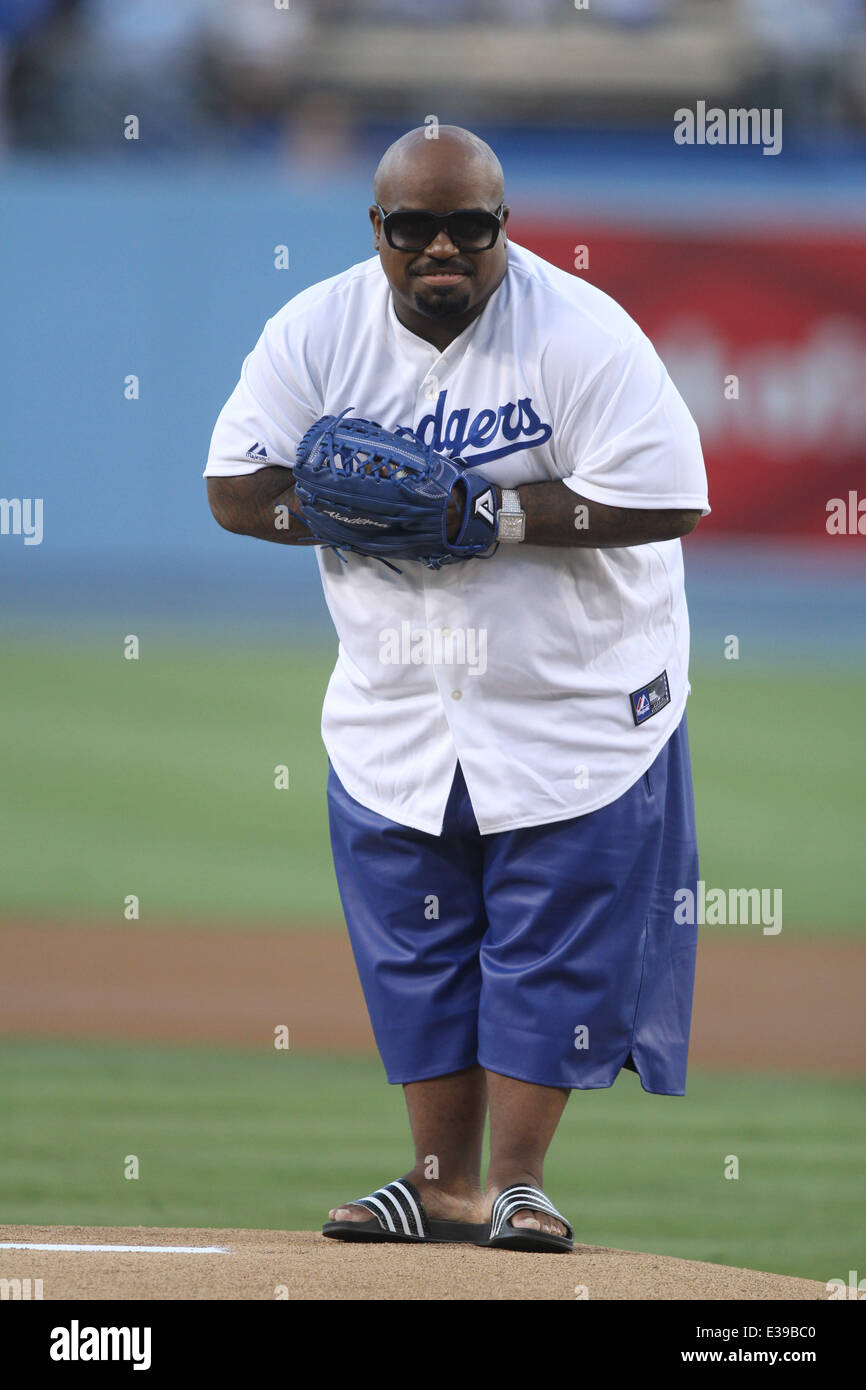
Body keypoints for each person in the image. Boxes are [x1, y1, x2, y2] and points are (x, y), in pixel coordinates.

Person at [204, 125, 709, 1253]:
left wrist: (498, 514)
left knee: (551, 941)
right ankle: (438, 1183)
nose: (443, 248)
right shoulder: (316, 328)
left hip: (574, 697)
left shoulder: (580, 332)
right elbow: (235, 489)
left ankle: (518, 1182)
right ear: (375, 231)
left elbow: (671, 495)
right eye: (414, 228)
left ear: (503, 228)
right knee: (416, 946)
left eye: (468, 228)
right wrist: (329, 510)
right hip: (399, 701)